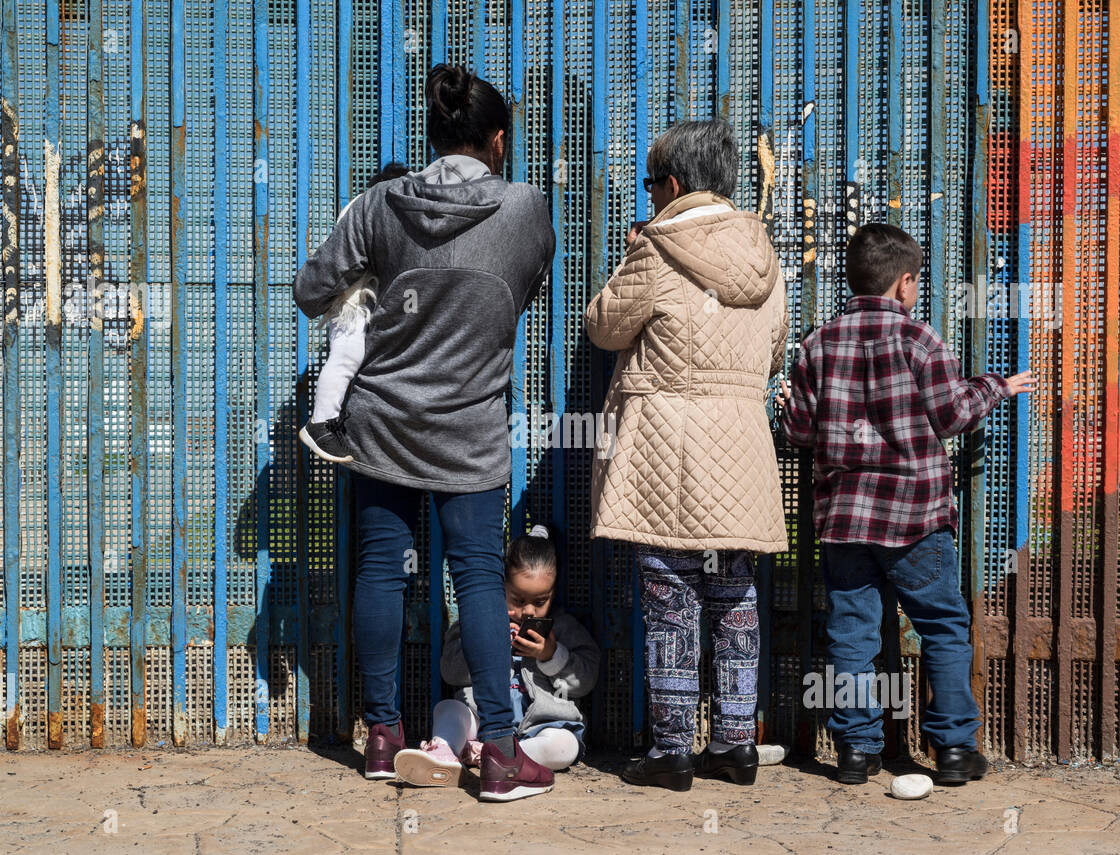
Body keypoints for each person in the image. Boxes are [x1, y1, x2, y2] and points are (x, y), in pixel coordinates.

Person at [292, 64, 556, 802]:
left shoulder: (380, 206)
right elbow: (522, 291)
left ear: (432, 135)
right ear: (498, 141)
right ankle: (500, 754)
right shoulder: (525, 207)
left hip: (382, 420)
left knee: (380, 567)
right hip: (469, 426)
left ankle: (382, 736)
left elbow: (311, 291)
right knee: (475, 573)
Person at [777, 222, 1036, 785]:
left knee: (851, 634)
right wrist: (994, 386)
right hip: (916, 516)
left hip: (844, 520)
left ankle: (855, 752)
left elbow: (798, 431)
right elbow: (950, 415)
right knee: (943, 626)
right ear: (904, 284)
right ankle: (955, 753)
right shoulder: (921, 340)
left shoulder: (818, 344)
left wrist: (788, 405)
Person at [586, 117, 791, 791]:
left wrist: (628, 257)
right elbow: (775, 351)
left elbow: (604, 326)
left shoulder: (659, 248)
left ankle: (672, 748)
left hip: (667, 448)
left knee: (670, 593)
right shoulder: (764, 256)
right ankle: (735, 742)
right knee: (735, 594)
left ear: (671, 184)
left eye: (652, 185)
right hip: (741, 442)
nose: (650, 197)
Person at [393, 525, 600, 794]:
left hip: (543, 727)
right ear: (501, 586)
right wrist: (488, 645)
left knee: (564, 746)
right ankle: (443, 752)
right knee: (449, 709)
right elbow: (450, 672)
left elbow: (585, 680)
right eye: (517, 599)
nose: (527, 611)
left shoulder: (562, 627)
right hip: (480, 720)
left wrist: (551, 654)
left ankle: (502, 756)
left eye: (540, 601)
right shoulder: (479, 622)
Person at [299, 161, 411, 465]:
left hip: (364, 299)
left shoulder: (366, 206)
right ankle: (321, 422)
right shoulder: (364, 208)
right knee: (348, 354)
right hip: (352, 302)